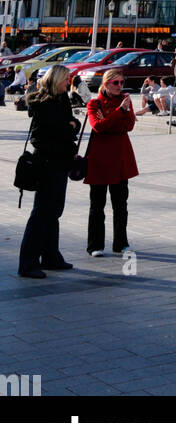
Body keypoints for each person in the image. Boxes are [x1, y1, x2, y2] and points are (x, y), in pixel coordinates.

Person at [17, 65, 80, 278]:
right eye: (66, 79)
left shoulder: (62, 99)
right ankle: (28, 263)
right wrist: (68, 128)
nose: (68, 83)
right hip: (47, 164)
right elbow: (41, 136)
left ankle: (51, 256)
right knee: (42, 214)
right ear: (56, 80)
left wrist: (70, 126)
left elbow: (72, 123)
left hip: (60, 163)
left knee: (54, 212)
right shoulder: (44, 104)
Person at [84, 69, 138, 257]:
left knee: (120, 205)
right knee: (97, 205)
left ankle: (121, 243)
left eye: (122, 82)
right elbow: (98, 126)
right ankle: (95, 245)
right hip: (99, 160)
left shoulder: (125, 100)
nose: (120, 86)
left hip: (121, 159)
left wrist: (115, 118)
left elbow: (129, 125)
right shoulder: (94, 103)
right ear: (106, 84)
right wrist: (119, 112)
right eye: (116, 83)